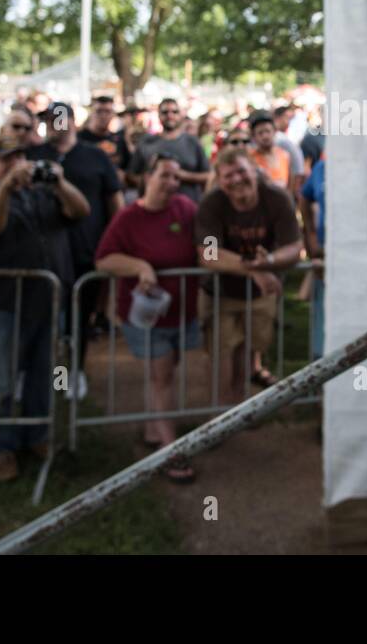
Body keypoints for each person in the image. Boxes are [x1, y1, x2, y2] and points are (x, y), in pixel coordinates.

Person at [0, 136, 89, 482]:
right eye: (7, 159)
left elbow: (81, 211)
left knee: (44, 373)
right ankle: (1, 446)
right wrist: (4, 189)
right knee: (3, 379)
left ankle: (38, 434)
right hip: (5, 303)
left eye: (21, 156)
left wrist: (60, 182)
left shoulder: (45, 194)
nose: (18, 163)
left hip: (50, 300)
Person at [95, 153, 202, 482]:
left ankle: (154, 427)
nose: (172, 183)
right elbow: (103, 260)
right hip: (147, 316)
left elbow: (206, 240)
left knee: (169, 370)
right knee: (163, 377)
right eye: (165, 176)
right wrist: (140, 267)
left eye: (176, 177)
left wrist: (213, 256)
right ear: (147, 178)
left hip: (183, 311)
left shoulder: (186, 208)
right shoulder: (128, 218)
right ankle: (171, 452)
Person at [30, 101, 124, 399]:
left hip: (85, 249)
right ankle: (35, 375)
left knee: (77, 319)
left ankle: (71, 374)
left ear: (72, 120)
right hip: (42, 251)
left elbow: (115, 202)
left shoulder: (95, 156)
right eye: (48, 120)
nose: (54, 124)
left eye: (59, 118)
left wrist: (114, 242)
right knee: (41, 317)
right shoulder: (34, 155)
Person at [195, 147, 302, 401]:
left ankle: (240, 407)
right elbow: (209, 254)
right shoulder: (212, 203)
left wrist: (271, 261)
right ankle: (218, 416)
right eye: (228, 176)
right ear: (219, 180)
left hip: (260, 294)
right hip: (220, 292)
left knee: (247, 351)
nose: (236, 180)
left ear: (255, 170)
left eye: (241, 171)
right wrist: (254, 270)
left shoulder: (276, 199)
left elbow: (295, 247)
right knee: (220, 355)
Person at [127, 97, 210, 201]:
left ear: (180, 115)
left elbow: (208, 175)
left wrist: (183, 175)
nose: (170, 116)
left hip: (189, 207)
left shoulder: (193, 142)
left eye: (174, 112)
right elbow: (131, 175)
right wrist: (153, 181)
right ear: (159, 115)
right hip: (154, 207)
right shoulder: (146, 142)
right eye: (165, 112)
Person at [298, 148, 326, 359]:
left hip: (361, 260)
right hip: (325, 258)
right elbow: (304, 197)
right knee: (322, 316)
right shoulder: (322, 168)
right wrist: (311, 236)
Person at [78, 93, 131, 178]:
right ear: (92, 113)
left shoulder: (119, 140)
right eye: (99, 111)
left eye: (107, 111)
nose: (103, 116)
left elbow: (128, 168)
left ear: (113, 114)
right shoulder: (79, 139)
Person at [247, 112, 291, 191]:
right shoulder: (249, 158)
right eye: (260, 133)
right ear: (254, 137)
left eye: (268, 131)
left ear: (274, 132)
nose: (265, 136)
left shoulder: (284, 155)